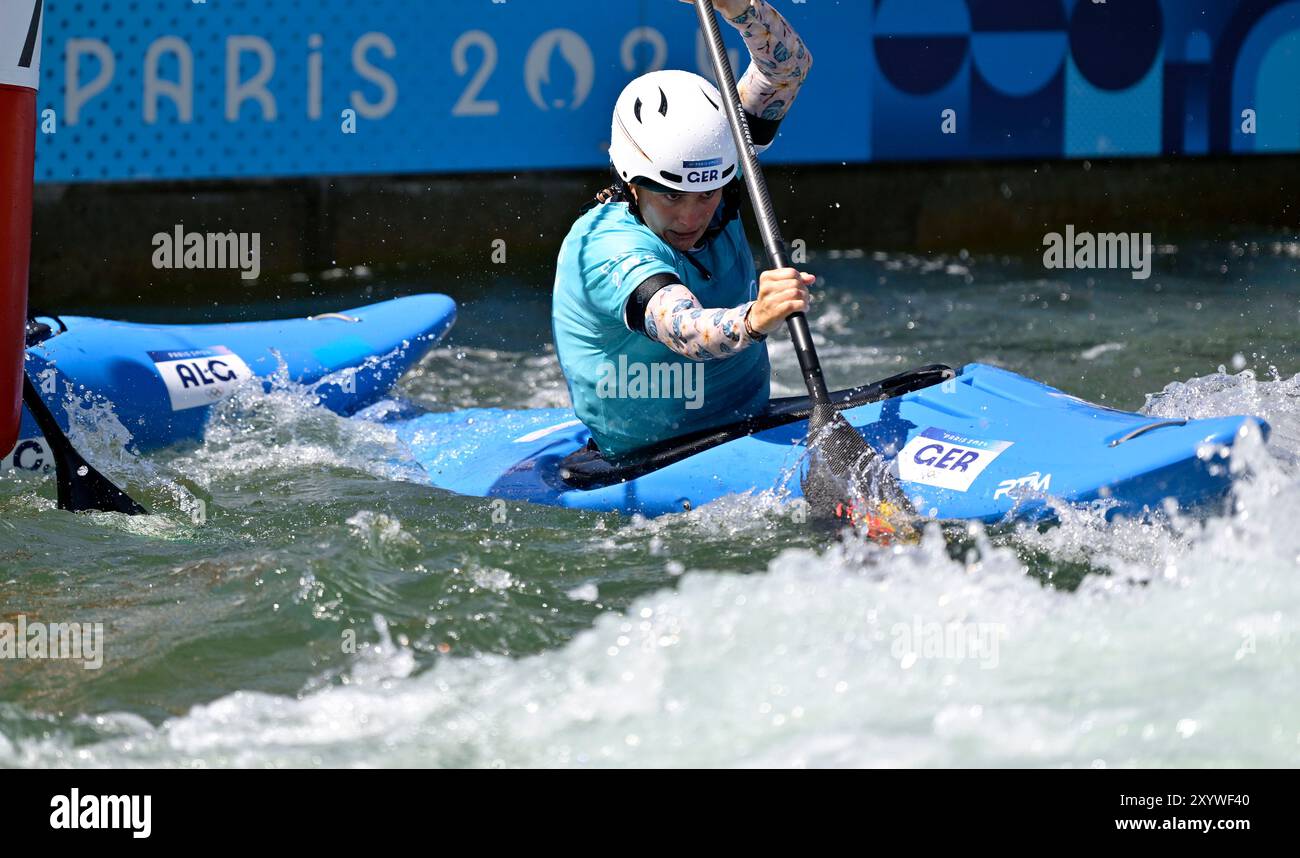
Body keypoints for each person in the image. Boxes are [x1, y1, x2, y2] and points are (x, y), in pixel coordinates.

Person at [552, 0, 815, 463]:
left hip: (748, 425)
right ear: (631, 184)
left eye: (708, 195)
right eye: (672, 197)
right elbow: (684, 328)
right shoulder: (604, 248)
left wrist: (740, 8)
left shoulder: (722, 173)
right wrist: (755, 319)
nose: (692, 217)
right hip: (649, 456)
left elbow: (787, 67)